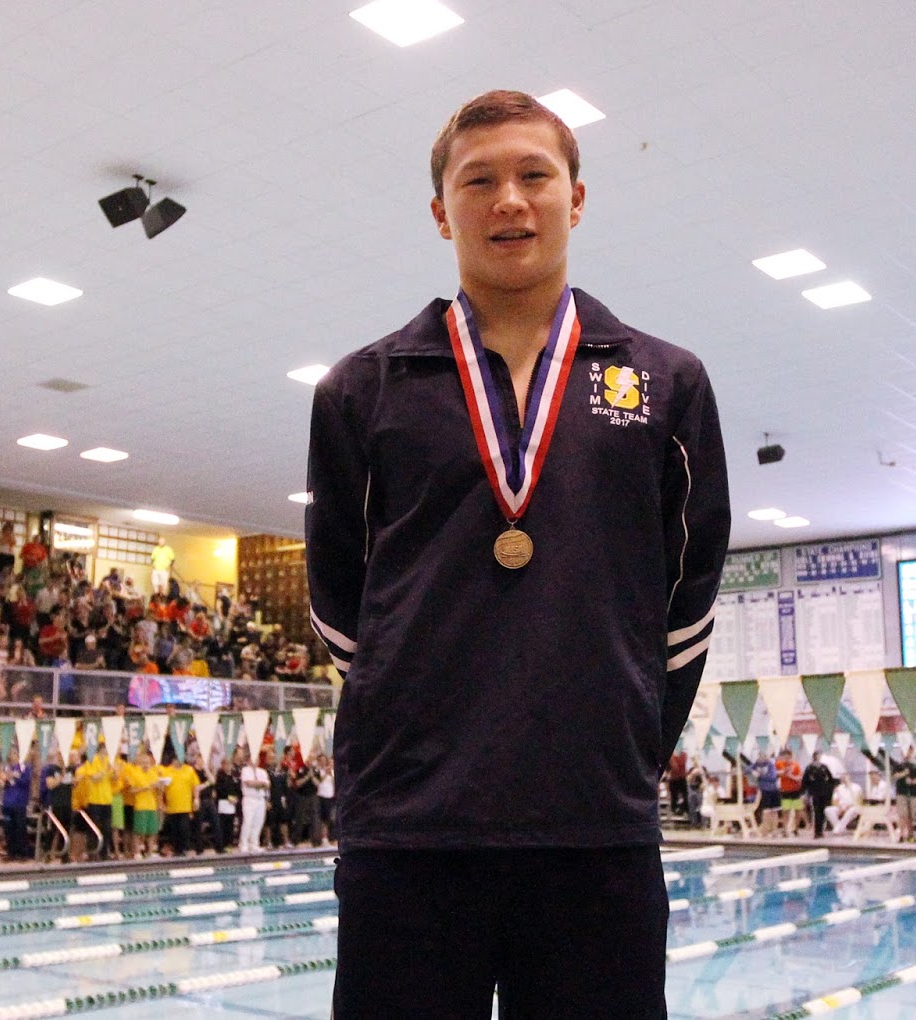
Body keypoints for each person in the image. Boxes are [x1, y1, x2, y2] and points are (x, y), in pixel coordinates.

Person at [304, 88, 730, 1020]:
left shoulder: (665, 383)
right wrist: (409, 726)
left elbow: (691, 594)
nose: (509, 200)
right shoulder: (361, 390)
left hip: (594, 830)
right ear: (440, 210)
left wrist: (619, 748)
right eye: (479, 180)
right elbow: (338, 597)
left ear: (576, 198)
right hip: (409, 830)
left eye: (535, 176)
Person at [119, 747, 162, 859]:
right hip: (140, 805)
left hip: (152, 805)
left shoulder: (153, 773)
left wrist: (159, 787)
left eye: (147, 762)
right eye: (143, 762)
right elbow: (131, 790)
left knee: (152, 831)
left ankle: (150, 851)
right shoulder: (136, 774)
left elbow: (158, 790)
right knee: (139, 831)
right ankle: (137, 851)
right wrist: (145, 788)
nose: (146, 764)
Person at [892, 745, 916, 843]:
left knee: (911, 816)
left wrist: (912, 782)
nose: (906, 754)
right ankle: (901, 835)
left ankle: (911, 835)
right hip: (901, 793)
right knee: (902, 815)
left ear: (911, 752)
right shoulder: (898, 765)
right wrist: (904, 774)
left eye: (908, 751)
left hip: (913, 793)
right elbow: (895, 776)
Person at [238, 749, 270, 852]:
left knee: (258, 822)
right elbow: (248, 783)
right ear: (248, 760)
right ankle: (243, 844)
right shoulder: (245, 770)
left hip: (260, 799)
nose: (255, 761)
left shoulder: (262, 771)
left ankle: (254, 843)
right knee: (248, 821)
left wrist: (258, 784)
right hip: (249, 799)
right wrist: (261, 784)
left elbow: (267, 785)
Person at [801, 752, 835, 839]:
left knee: (822, 811)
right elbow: (805, 782)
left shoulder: (824, 767)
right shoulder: (810, 768)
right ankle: (816, 831)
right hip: (814, 792)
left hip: (823, 792)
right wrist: (804, 793)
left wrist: (829, 790)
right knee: (816, 812)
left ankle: (821, 830)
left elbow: (831, 779)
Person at [775, 748, 804, 837]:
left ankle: (796, 828)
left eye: (788, 757)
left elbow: (799, 778)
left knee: (798, 810)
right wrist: (784, 772)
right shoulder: (779, 764)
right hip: (785, 791)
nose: (786, 759)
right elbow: (774, 773)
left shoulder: (795, 765)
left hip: (796, 790)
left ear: (791, 757)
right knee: (785, 811)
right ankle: (785, 829)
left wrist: (790, 776)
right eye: (785, 757)